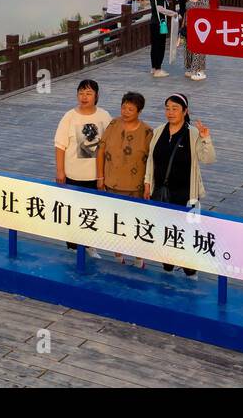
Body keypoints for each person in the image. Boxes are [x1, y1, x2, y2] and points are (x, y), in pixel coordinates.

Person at [144, 93, 216, 276]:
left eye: (175, 108)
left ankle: (191, 274)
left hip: (188, 195)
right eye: (167, 108)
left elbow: (207, 159)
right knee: (165, 233)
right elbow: (151, 161)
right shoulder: (159, 131)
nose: (170, 112)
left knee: (190, 235)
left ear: (185, 111)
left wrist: (206, 137)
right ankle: (167, 267)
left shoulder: (192, 133)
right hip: (161, 192)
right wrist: (147, 184)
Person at [54, 79, 111, 256]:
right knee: (72, 212)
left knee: (92, 212)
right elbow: (60, 145)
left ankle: (89, 246)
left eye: (88, 93)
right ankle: (72, 247)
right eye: (81, 93)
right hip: (73, 175)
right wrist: (60, 171)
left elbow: (110, 145)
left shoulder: (104, 116)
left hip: (96, 176)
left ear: (96, 96)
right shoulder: (69, 116)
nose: (84, 97)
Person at [98, 91, 154, 266]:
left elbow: (152, 161)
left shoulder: (147, 132)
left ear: (139, 111)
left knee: (136, 223)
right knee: (115, 222)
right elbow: (100, 150)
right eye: (124, 107)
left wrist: (147, 184)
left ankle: (138, 258)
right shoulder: (113, 124)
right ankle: (118, 255)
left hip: (135, 187)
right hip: (111, 183)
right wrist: (100, 177)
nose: (126, 112)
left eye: (131, 109)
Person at [147, 0, 179, 77]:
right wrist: (173, 13)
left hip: (156, 23)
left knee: (155, 46)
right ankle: (158, 69)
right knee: (160, 46)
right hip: (159, 23)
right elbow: (160, 9)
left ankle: (154, 67)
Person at [182, 0, 209, 81]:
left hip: (199, 29)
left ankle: (200, 70)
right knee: (188, 48)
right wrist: (183, 25)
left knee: (198, 49)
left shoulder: (204, 0)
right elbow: (186, 13)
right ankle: (191, 68)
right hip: (188, 27)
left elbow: (206, 16)